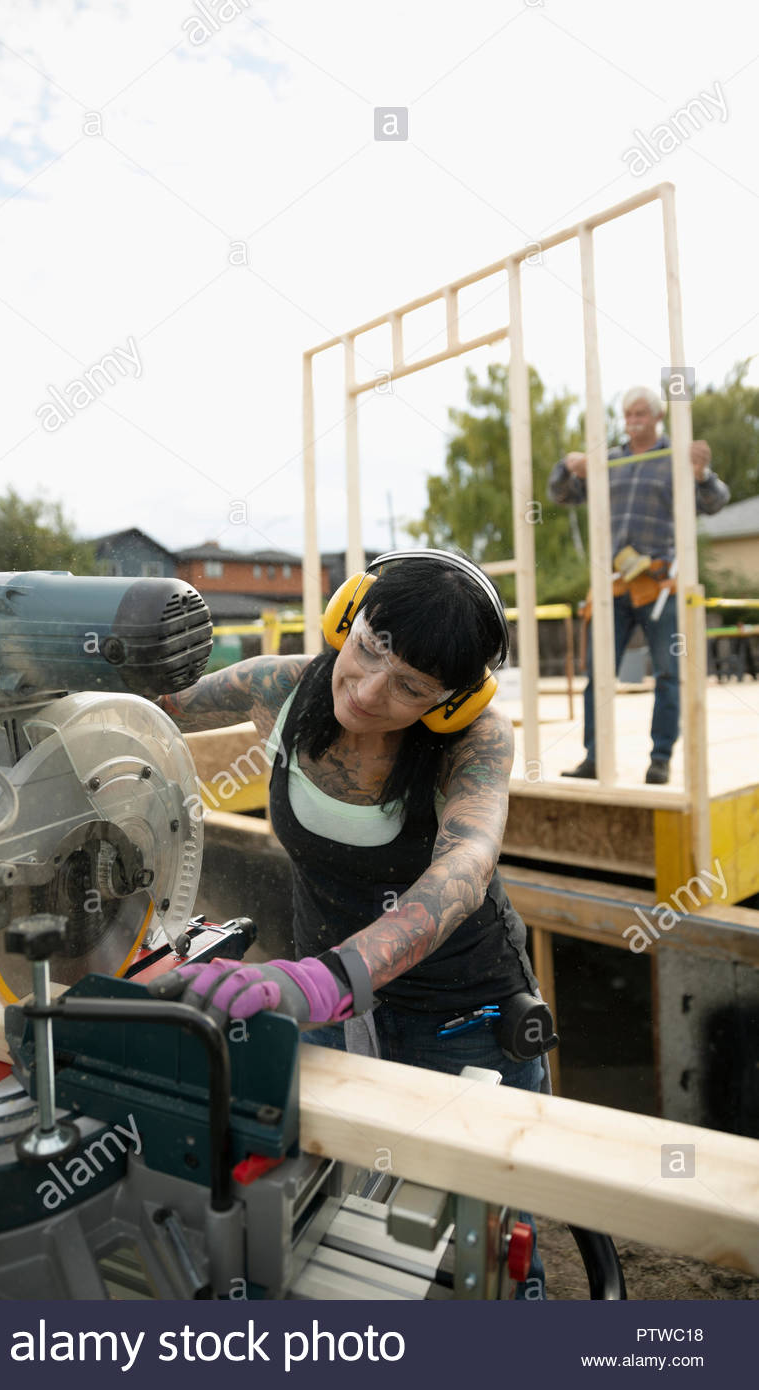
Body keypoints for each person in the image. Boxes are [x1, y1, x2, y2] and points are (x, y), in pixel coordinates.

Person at [157, 550, 554, 1298]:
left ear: (454, 702)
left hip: (462, 1017)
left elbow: (463, 871)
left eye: (410, 687)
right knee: (331, 1218)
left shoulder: (475, 741)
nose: (369, 690)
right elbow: (156, 705)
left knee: (486, 1253)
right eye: (369, 648)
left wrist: (324, 979)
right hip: (332, 1008)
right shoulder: (278, 686)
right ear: (348, 614)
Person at [548, 385, 730, 784]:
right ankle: (596, 757)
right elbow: (560, 494)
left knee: (667, 673)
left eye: (640, 414)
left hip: (659, 583)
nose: (632, 421)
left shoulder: (675, 458)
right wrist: (568, 465)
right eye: (628, 414)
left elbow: (716, 501)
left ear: (658, 417)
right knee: (600, 675)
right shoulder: (609, 462)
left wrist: (702, 474)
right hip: (612, 583)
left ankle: (660, 758)